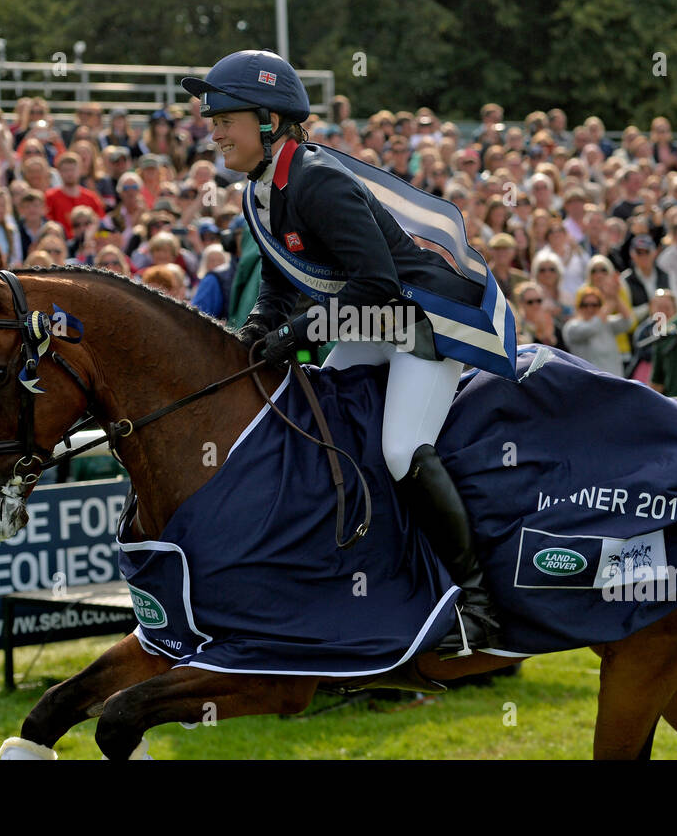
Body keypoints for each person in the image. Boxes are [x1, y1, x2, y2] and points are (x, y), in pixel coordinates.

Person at [184, 49, 515, 656]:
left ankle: (478, 604)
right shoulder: (260, 191)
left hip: (422, 321)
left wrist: (301, 333)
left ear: (268, 120)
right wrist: (259, 330)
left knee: (397, 449)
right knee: (324, 425)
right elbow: (285, 280)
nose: (214, 130)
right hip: (372, 321)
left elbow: (378, 286)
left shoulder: (315, 180)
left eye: (225, 117)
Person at [563, 283, 632, 374]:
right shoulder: (572, 327)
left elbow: (627, 321)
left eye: (595, 305)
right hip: (588, 382)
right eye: (585, 305)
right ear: (578, 307)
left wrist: (615, 296)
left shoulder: (606, 323)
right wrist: (609, 304)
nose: (590, 308)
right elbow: (591, 328)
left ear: (600, 306)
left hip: (613, 380)